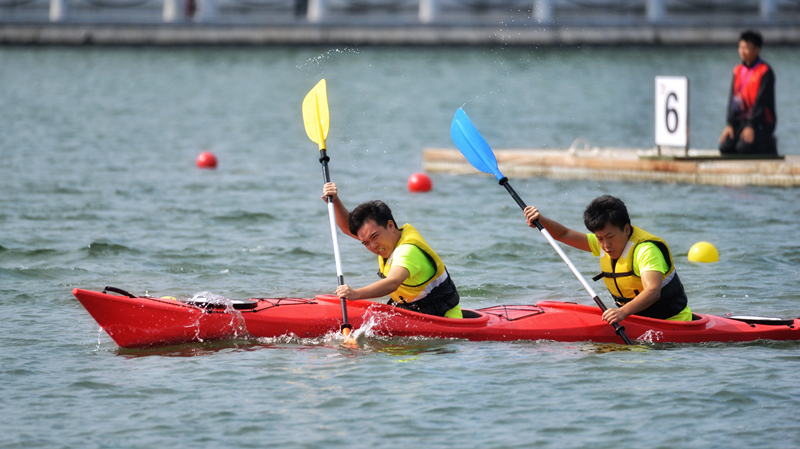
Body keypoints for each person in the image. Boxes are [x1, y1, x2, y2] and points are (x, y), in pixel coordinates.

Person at [523, 195, 691, 326]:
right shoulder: (602, 243)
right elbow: (563, 234)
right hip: (635, 321)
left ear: (626, 229)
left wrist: (622, 313)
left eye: (610, 236)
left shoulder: (646, 250)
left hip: (673, 324)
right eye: (600, 238)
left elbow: (653, 292)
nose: (605, 245)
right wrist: (541, 220)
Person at [322, 183, 462, 319]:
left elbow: (392, 282)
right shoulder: (388, 240)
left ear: (390, 225)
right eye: (365, 243)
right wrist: (334, 200)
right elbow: (348, 228)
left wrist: (356, 294)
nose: (373, 246)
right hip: (415, 312)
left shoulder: (407, 251)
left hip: (445, 319)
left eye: (375, 236)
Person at [719, 30, 777, 155]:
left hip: (761, 124)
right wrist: (730, 124)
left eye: (746, 48)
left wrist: (751, 125)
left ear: (757, 50)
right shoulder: (738, 70)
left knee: (743, 148)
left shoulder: (765, 71)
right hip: (741, 122)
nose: (742, 51)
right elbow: (733, 99)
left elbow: (761, 102)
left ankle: (769, 144)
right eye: (740, 47)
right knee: (725, 147)